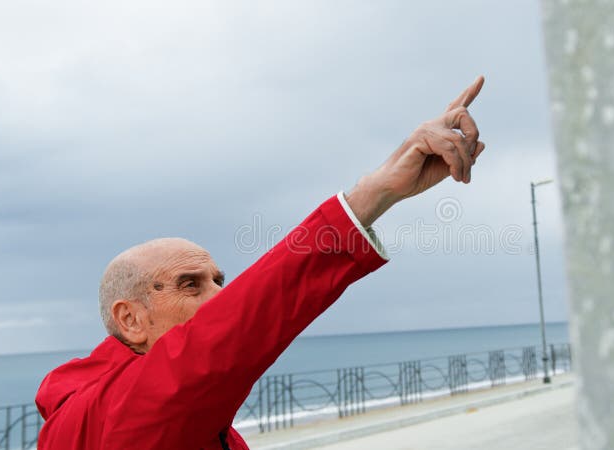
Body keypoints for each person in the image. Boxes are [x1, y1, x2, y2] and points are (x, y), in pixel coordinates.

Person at [35, 76, 486, 449]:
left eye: (218, 280)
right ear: (130, 318)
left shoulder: (203, 422)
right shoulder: (94, 421)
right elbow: (218, 344)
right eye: (190, 285)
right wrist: (374, 194)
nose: (220, 295)